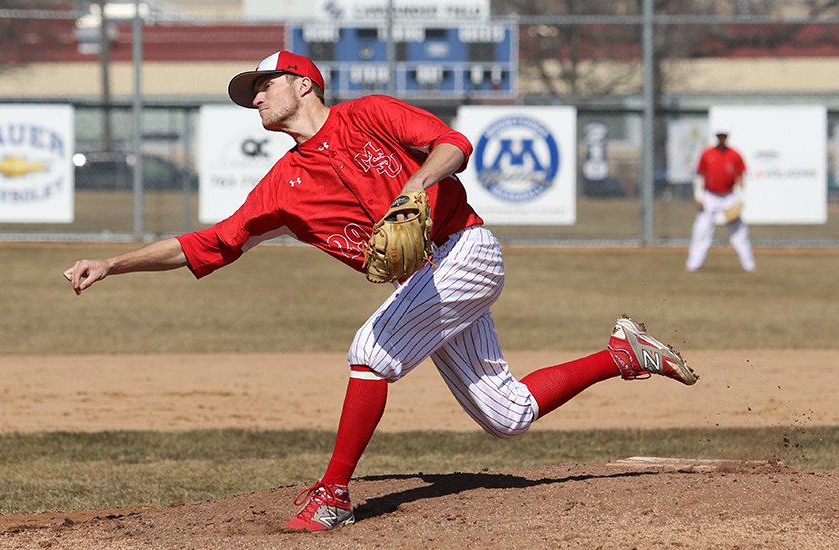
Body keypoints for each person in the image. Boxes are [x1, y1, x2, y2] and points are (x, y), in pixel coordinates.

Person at [64, 51, 698, 533]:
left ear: (303, 83)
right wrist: (112, 263)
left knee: (370, 348)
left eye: (265, 84)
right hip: (424, 277)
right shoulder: (283, 186)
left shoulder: (366, 115)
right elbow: (212, 243)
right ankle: (623, 353)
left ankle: (333, 495)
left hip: (464, 249)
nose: (255, 97)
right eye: (249, 92)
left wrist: (416, 184)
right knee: (507, 416)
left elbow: (454, 144)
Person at [686, 127, 757, 274]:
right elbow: (699, 176)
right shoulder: (707, 153)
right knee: (702, 230)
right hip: (710, 195)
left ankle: (749, 265)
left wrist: (740, 199)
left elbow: (741, 177)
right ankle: (693, 265)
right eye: (719, 136)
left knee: (739, 232)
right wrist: (698, 197)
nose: (721, 138)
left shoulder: (734, 154)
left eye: (724, 136)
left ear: (727, 137)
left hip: (729, 195)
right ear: (716, 137)